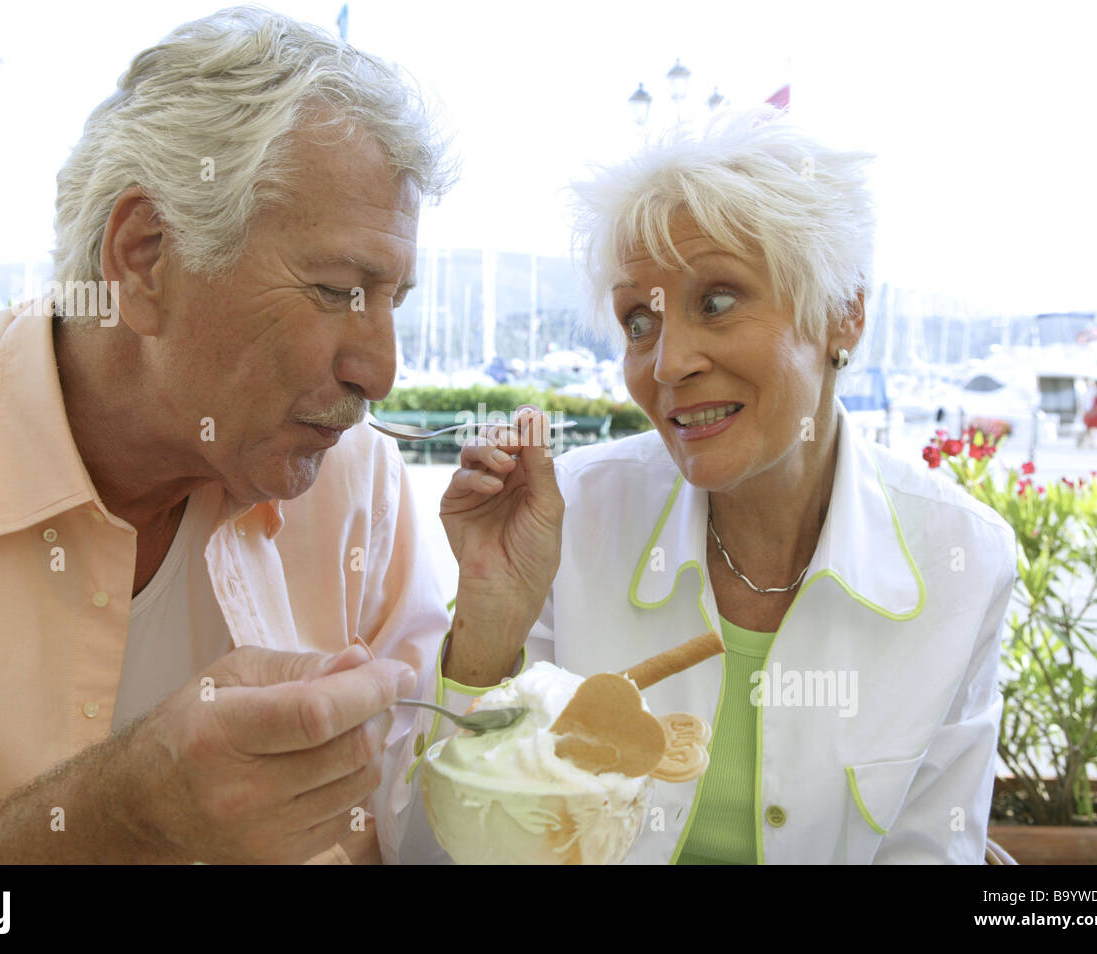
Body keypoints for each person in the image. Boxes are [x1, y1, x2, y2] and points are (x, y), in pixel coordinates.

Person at [0, 8, 454, 864]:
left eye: (393, 300)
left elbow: (419, 827)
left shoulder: (356, 476)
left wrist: (492, 637)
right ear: (144, 257)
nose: (380, 372)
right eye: (334, 291)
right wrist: (123, 819)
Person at [414, 108, 1018, 864]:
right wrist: (486, 636)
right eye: (640, 321)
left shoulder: (963, 558)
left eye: (719, 301)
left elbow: (933, 851)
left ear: (845, 312)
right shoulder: (567, 521)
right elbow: (428, 853)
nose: (667, 363)